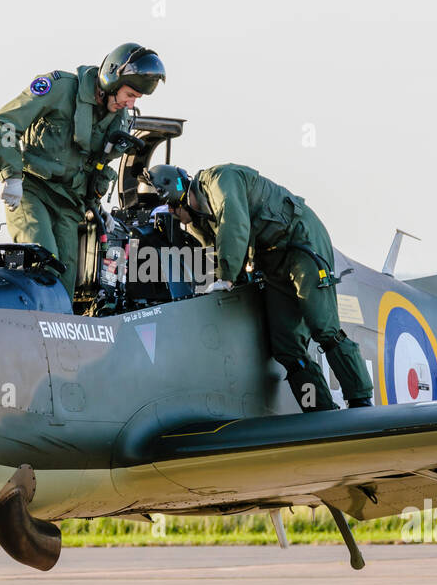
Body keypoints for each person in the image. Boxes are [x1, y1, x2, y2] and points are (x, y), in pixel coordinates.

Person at [146, 163, 374, 411]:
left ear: (181, 193)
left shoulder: (222, 180)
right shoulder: (198, 222)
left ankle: (360, 399)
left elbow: (234, 224)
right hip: (271, 260)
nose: (172, 212)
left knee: (322, 325)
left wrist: (227, 276)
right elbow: (215, 250)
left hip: (301, 242)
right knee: (286, 345)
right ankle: (319, 410)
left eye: (172, 205)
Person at [0, 44, 165, 297]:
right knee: (44, 264)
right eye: (130, 94)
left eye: (137, 98)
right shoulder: (59, 89)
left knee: (67, 281)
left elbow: (99, 167)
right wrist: (12, 175)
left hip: (70, 204)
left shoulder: (118, 120)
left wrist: (97, 206)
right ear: (111, 80)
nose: (131, 102)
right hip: (32, 191)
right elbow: (4, 122)